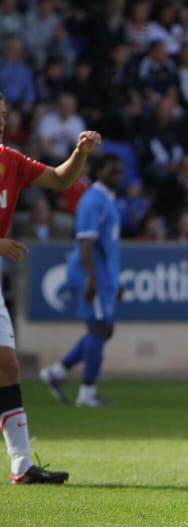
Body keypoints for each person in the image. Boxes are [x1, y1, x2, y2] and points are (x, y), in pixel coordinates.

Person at [0, 91, 102, 483]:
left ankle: (21, 465)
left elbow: (60, 179)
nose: (1, 122)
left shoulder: (11, 160)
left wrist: (80, 153)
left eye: (4, 115)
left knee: (6, 363)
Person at [39, 153, 123, 407]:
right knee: (98, 329)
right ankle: (87, 392)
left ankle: (58, 372)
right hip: (91, 275)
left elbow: (107, 246)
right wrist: (91, 279)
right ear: (99, 172)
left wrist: (114, 280)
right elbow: (85, 241)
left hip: (104, 276)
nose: (118, 175)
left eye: (120, 170)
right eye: (113, 170)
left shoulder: (107, 200)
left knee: (104, 329)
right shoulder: (92, 201)